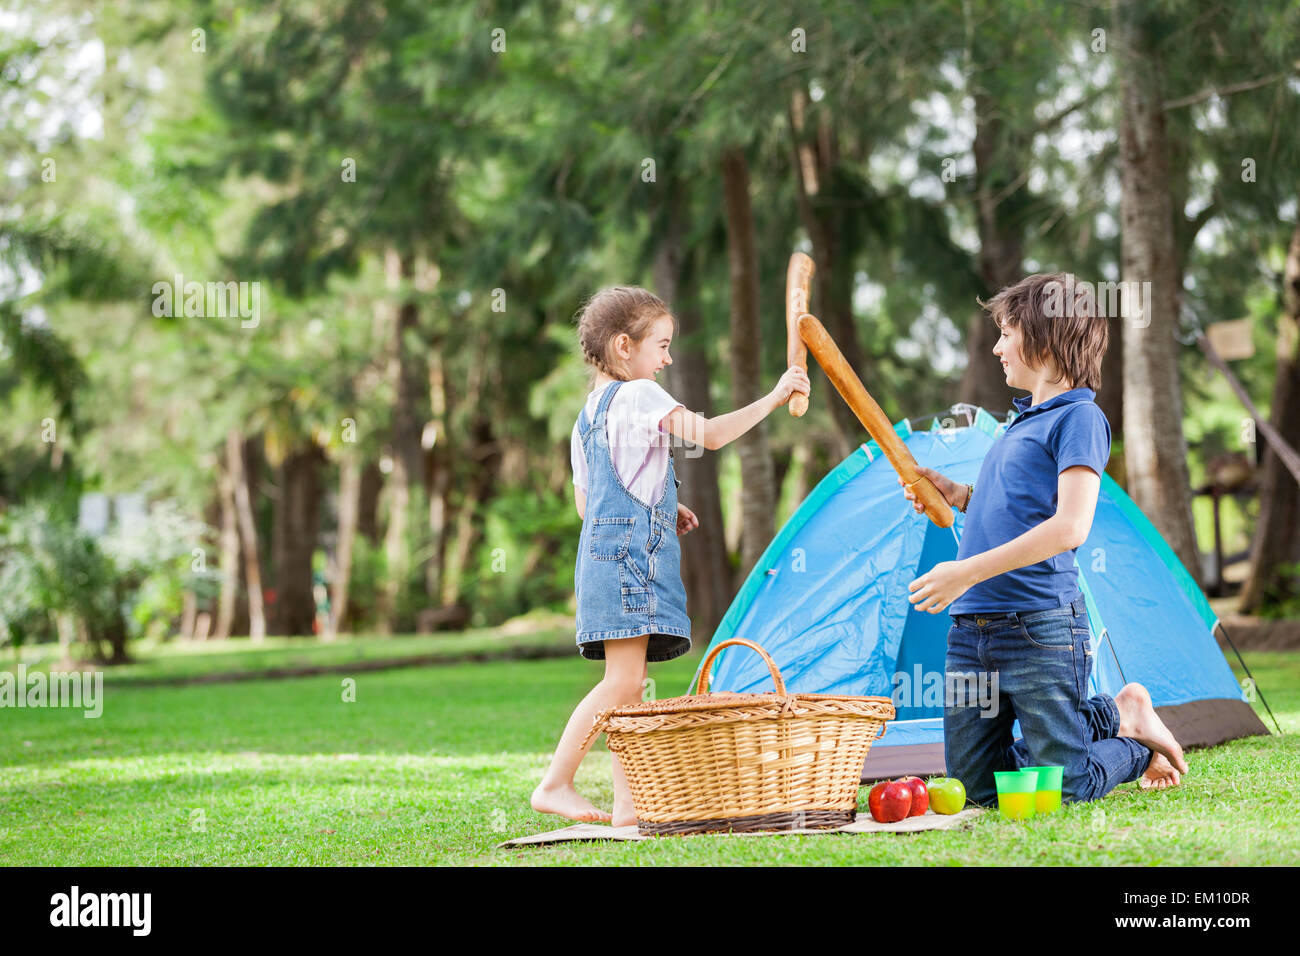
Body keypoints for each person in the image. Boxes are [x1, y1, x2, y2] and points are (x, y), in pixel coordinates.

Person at [900, 273, 1188, 807]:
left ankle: (1128, 724)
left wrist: (965, 572)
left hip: (1040, 627)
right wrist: (958, 493)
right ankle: (1099, 716)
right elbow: (1013, 507)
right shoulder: (1019, 423)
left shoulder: (1080, 417)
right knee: (976, 789)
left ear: (1046, 339)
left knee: (1067, 786)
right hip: (971, 633)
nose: (996, 346)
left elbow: (1069, 527)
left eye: (1006, 332)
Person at [530, 286, 810, 826]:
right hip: (629, 565)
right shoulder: (639, 395)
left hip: (601, 561)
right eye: (661, 344)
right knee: (622, 685)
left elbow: (590, 503)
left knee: (629, 691)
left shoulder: (587, 416)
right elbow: (707, 435)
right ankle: (556, 782)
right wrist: (775, 397)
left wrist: (664, 505)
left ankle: (627, 808)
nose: (668, 358)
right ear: (623, 347)